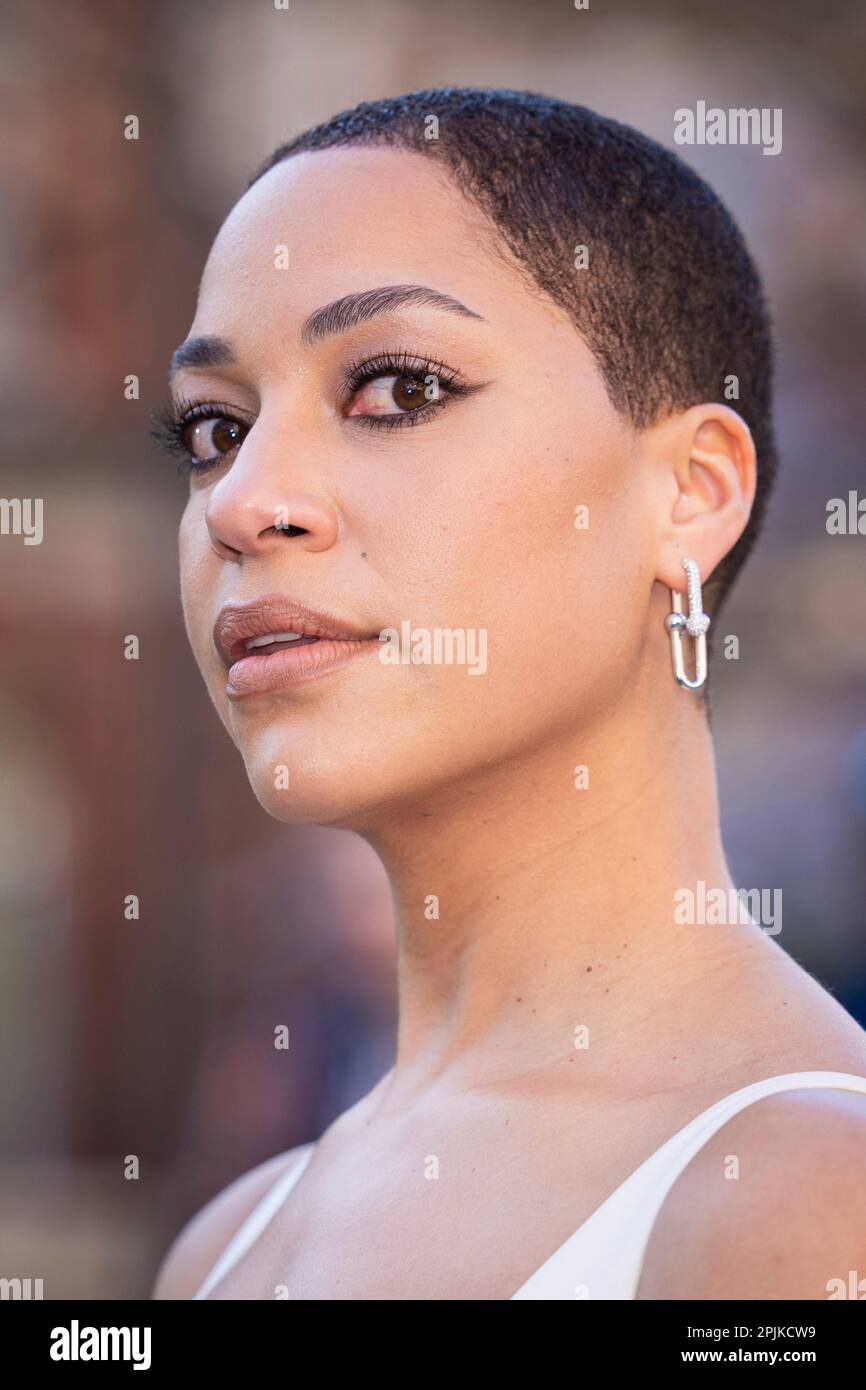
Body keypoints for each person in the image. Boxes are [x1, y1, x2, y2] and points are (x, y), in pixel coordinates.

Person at [151, 88, 866, 1300]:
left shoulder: (808, 1207)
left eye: (397, 390)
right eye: (213, 430)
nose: (241, 501)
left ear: (690, 494)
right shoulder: (223, 1250)